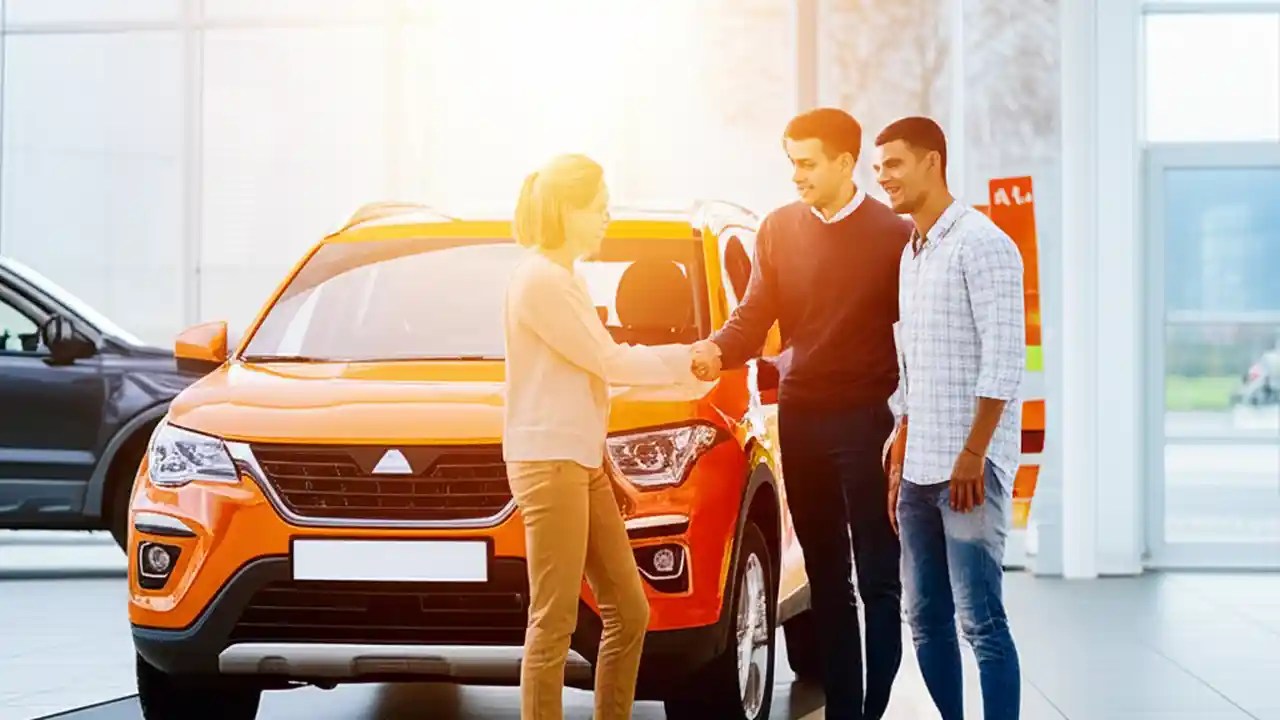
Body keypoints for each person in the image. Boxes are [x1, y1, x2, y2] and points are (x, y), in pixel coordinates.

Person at [690, 107, 913, 720]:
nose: (796, 176)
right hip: (804, 419)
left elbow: (914, 339)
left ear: (845, 163)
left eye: (807, 163)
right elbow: (755, 314)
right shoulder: (778, 229)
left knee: (878, 578)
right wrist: (713, 350)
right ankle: (845, 709)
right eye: (791, 162)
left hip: (870, 421)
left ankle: (876, 707)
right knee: (826, 580)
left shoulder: (895, 235)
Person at [502, 153, 696, 720]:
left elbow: (588, 374)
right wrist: (692, 358)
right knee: (554, 620)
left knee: (629, 612)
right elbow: (605, 360)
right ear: (568, 210)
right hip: (551, 463)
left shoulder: (564, 278)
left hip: (580, 460)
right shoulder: (541, 280)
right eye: (599, 208)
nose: (606, 219)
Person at [876, 116, 1025, 720]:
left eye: (893, 164)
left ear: (932, 162)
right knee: (924, 617)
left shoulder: (983, 243)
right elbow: (911, 359)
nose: (881, 177)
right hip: (918, 467)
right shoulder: (911, 254)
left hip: (970, 467)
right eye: (878, 166)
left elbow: (1006, 358)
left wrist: (973, 454)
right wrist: (901, 442)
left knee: (981, 619)